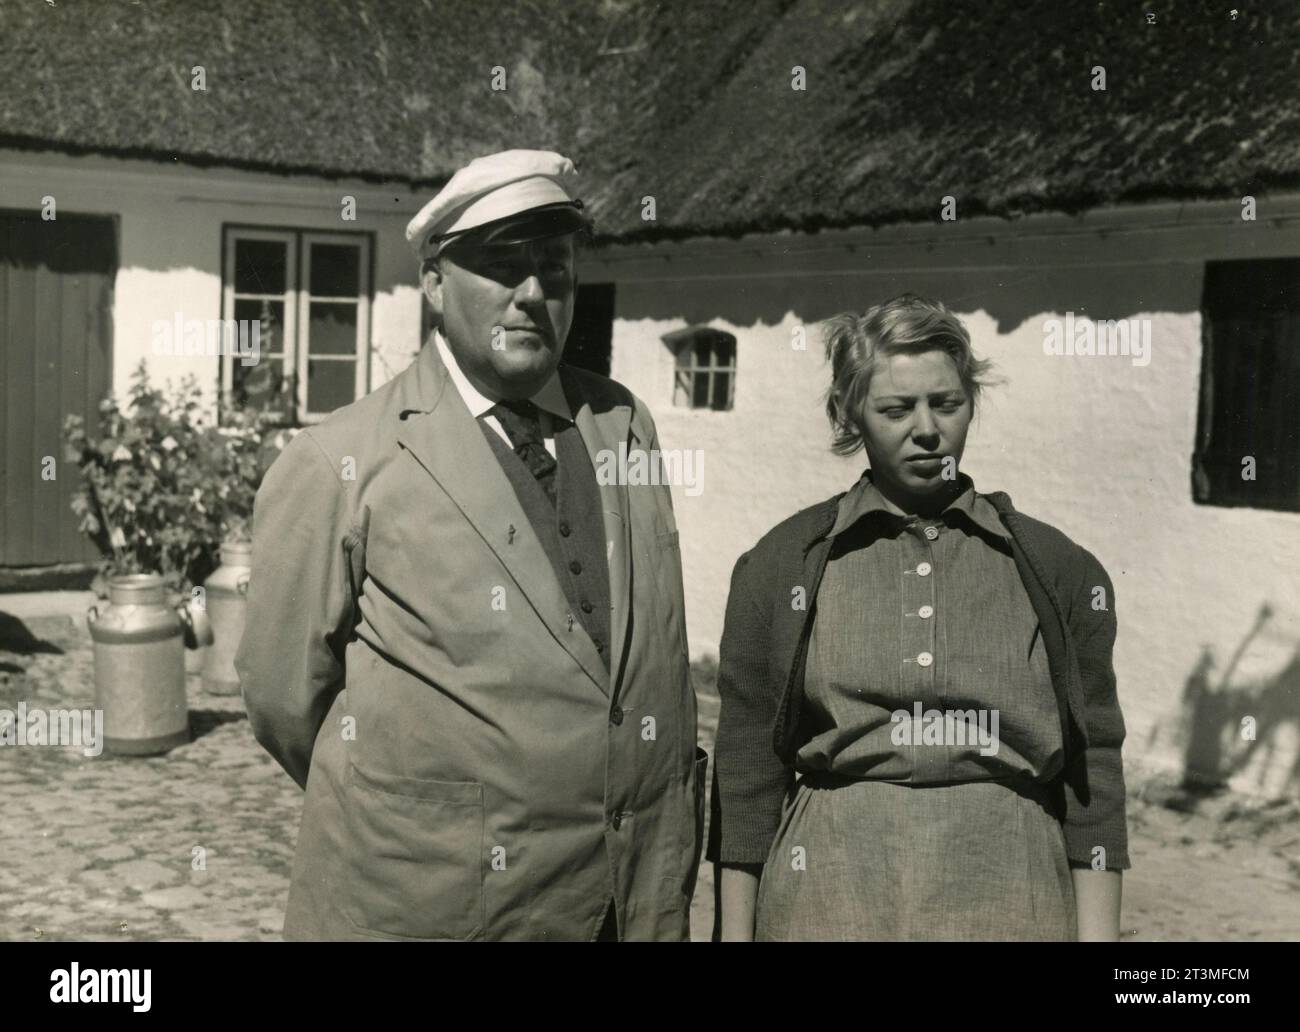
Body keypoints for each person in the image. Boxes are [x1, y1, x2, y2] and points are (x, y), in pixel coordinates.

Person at [237, 149, 705, 941]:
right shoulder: (343, 461)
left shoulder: (624, 423)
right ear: (433, 281)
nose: (532, 294)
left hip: (631, 896)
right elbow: (284, 699)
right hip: (441, 906)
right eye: (501, 265)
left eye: (553, 267)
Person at [708, 294, 1128, 941]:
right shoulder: (781, 565)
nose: (928, 429)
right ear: (851, 414)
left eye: (947, 403)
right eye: (897, 409)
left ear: (971, 402)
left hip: (1010, 892)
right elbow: (745, 777)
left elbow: (1093, 772)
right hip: (828, 891)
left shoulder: (1055, 568)